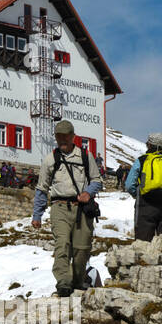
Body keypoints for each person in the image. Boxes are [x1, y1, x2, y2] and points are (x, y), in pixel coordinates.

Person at [31, 121, 103, 296]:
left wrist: (88, 193)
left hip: (82, 209)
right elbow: (42, 188)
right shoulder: (50, 159)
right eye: (59, 137)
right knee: (62, 245)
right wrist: (37, 215)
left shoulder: (86, 156)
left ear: (73, 137)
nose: (62, 140)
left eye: (65, 137)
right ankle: (63, 283)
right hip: (59, 207)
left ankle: (77, 281)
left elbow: (97, 180)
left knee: (82, 248)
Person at [125, 133, 162, 241]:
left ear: (149, 145)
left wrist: (137, 194)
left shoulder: (142, 160)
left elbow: (129, 184)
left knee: (143, 243)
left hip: (146, 205)